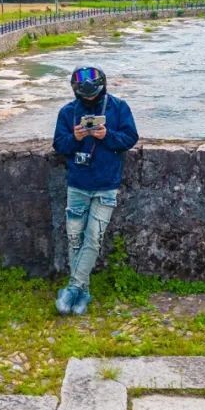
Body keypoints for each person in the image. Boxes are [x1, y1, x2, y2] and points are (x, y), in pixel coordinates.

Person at [52, 66, 139, 315]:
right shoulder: (68, 112)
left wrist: (106, 134)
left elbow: (130, 138)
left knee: (93, 238)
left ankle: (73, 288)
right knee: (74, 238)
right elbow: (59, 145)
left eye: (93, 94)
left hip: (106, 186)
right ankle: (84, 292)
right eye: (84, 94)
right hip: (77, 185)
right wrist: (75, 137)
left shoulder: (119, 108)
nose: (89, 98)